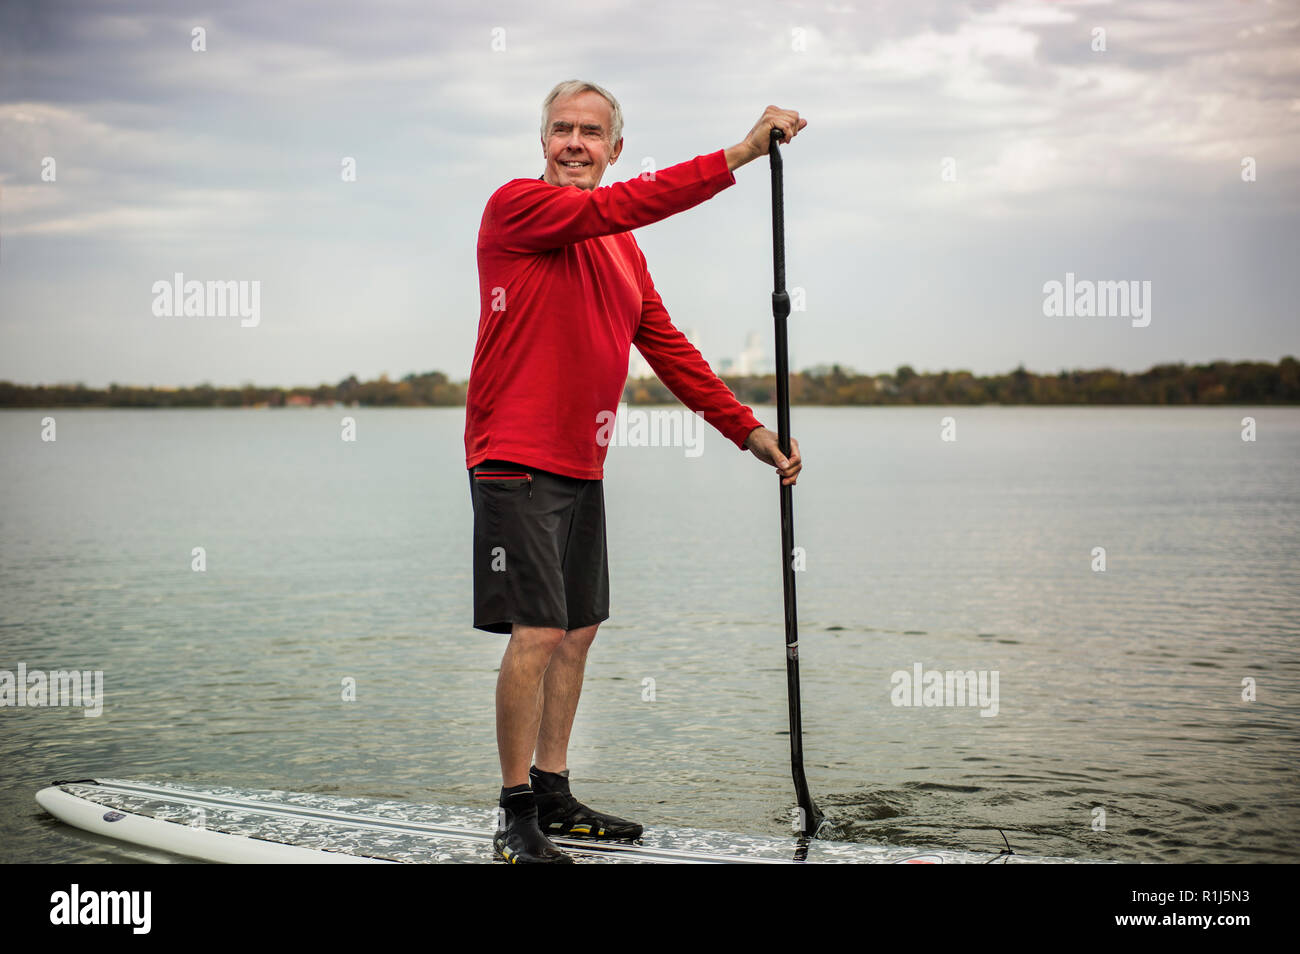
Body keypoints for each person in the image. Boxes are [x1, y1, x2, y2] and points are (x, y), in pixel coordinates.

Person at [465, 79, 806, 863]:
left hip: (582, 462)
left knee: (577, 632)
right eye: (561, 130)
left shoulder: (622, 250)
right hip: (513, 458)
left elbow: (670, 350)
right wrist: (741, 155)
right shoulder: (518, 206)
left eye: (591, 132)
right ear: (543, 143)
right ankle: (514, 814)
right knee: (539, 630)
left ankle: (552, 793)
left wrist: (748, 431)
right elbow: (619, 206)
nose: (575, 143)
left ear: (614, 148)